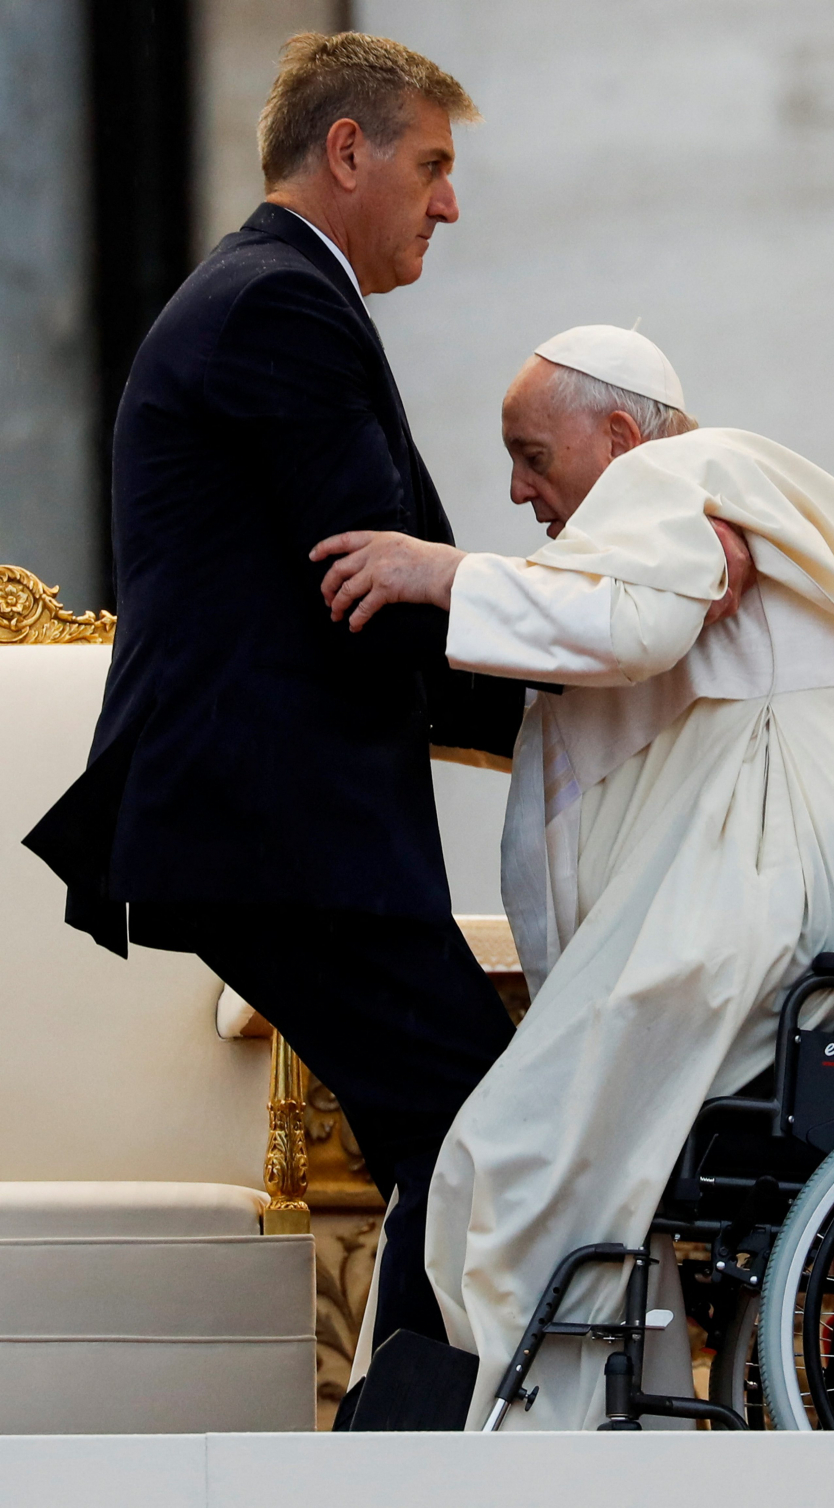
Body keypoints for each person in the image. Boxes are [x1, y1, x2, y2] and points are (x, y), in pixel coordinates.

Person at [313, 324, 834, 1429]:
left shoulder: (673, 475)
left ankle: (534, 1450)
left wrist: (441, 571)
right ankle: (622, 1429)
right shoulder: (683, 521)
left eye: (531, 453)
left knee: (511, 1154)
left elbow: (636, 627)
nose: (517, 490)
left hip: (779, 887)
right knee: (600, 1166)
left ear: (617, 432)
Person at [22, 31, 534, 1353]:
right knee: (482, 1129)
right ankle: (420, 1453)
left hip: (275, 824)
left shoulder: (274, 294)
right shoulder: (277, 303)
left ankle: (405, 1438)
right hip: (277, 827)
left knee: (460, 1131)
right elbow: (369, 574)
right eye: (431, 165)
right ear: (348, 151)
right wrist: (580, 679)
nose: (449, 202)